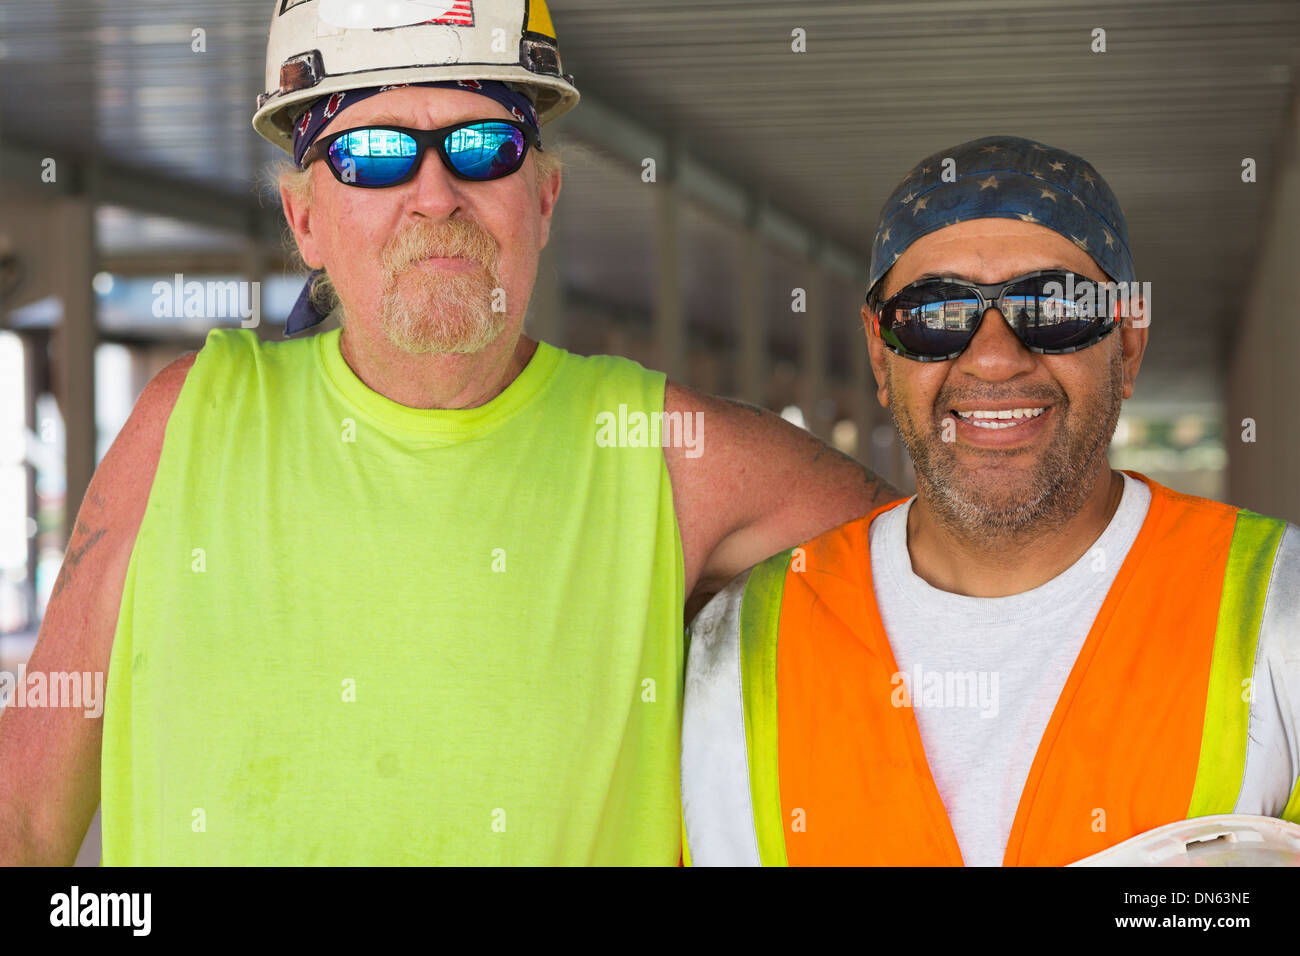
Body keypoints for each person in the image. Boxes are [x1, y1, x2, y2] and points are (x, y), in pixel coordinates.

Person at [0, 0, 899, 865]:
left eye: (483, 146)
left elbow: (967, 567)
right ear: (304, 219)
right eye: (373, 153)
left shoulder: (667, 454)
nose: (435, 194)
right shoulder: (184, 425)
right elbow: (24, 820)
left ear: (544, 200)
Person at [680, 134, 1300, 866]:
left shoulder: (1277, 606)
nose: (996, 357)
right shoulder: (744, 640)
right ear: (881, 356)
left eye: (1054, 305)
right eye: (935, 313)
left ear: (1127, 343)